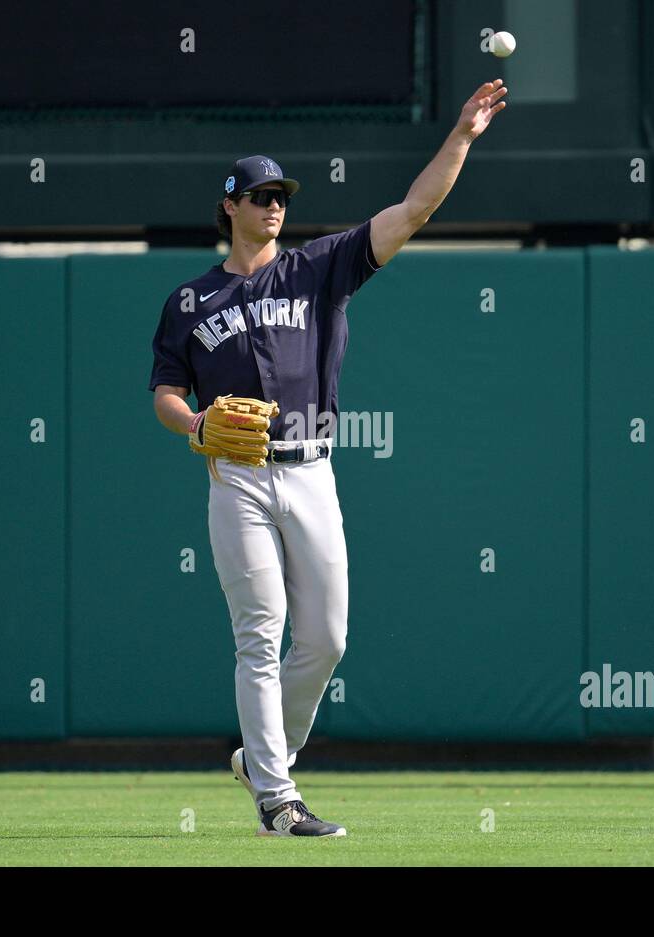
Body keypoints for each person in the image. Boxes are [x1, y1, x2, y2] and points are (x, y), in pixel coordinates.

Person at [149, 80, 509, 836]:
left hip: (310, 469)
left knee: (327, 639)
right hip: (236, 480)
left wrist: (463, 138)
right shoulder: (190, 302)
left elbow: (415, 210)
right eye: (259, 196)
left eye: (280, 195)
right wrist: (196, 427)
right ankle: (277, 801)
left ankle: (260, 755)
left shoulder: (319, 268)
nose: (273, 205)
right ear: (230, 207)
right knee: (261, 631)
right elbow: (166, 394)